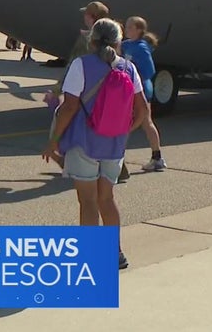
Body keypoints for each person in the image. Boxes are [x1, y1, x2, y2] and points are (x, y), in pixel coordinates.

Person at [44, 18, 148, 270]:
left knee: (88, 201)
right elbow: (143, 109)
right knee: (107, 199)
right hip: (114, 146)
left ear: (91, 41)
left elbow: (69, 107)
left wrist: (53, 140)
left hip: (84, 142)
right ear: (118, 42)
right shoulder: (128, 68)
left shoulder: (81, 65)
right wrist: (123, 131)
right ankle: (115, 253)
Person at [46, 1, 112, 171]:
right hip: (104, 94)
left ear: (92, 18)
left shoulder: (86, 40)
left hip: (82, 94)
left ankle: (67, 161)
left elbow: (73, 66)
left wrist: (57, 89)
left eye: (86, 14)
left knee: (63, 124)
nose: (84, 17)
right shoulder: (112, 38)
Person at [121, 16, 166, 172]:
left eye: (129, 27)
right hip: (130, 90)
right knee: (143, 123)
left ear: (139, 30)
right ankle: (157, 158)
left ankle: (118, 160)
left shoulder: (141, 47)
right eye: (126, 27)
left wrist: (133, 77)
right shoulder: (126, 45)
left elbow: (149, 71)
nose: (126, 30)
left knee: (137, 123)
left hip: (140, 91)